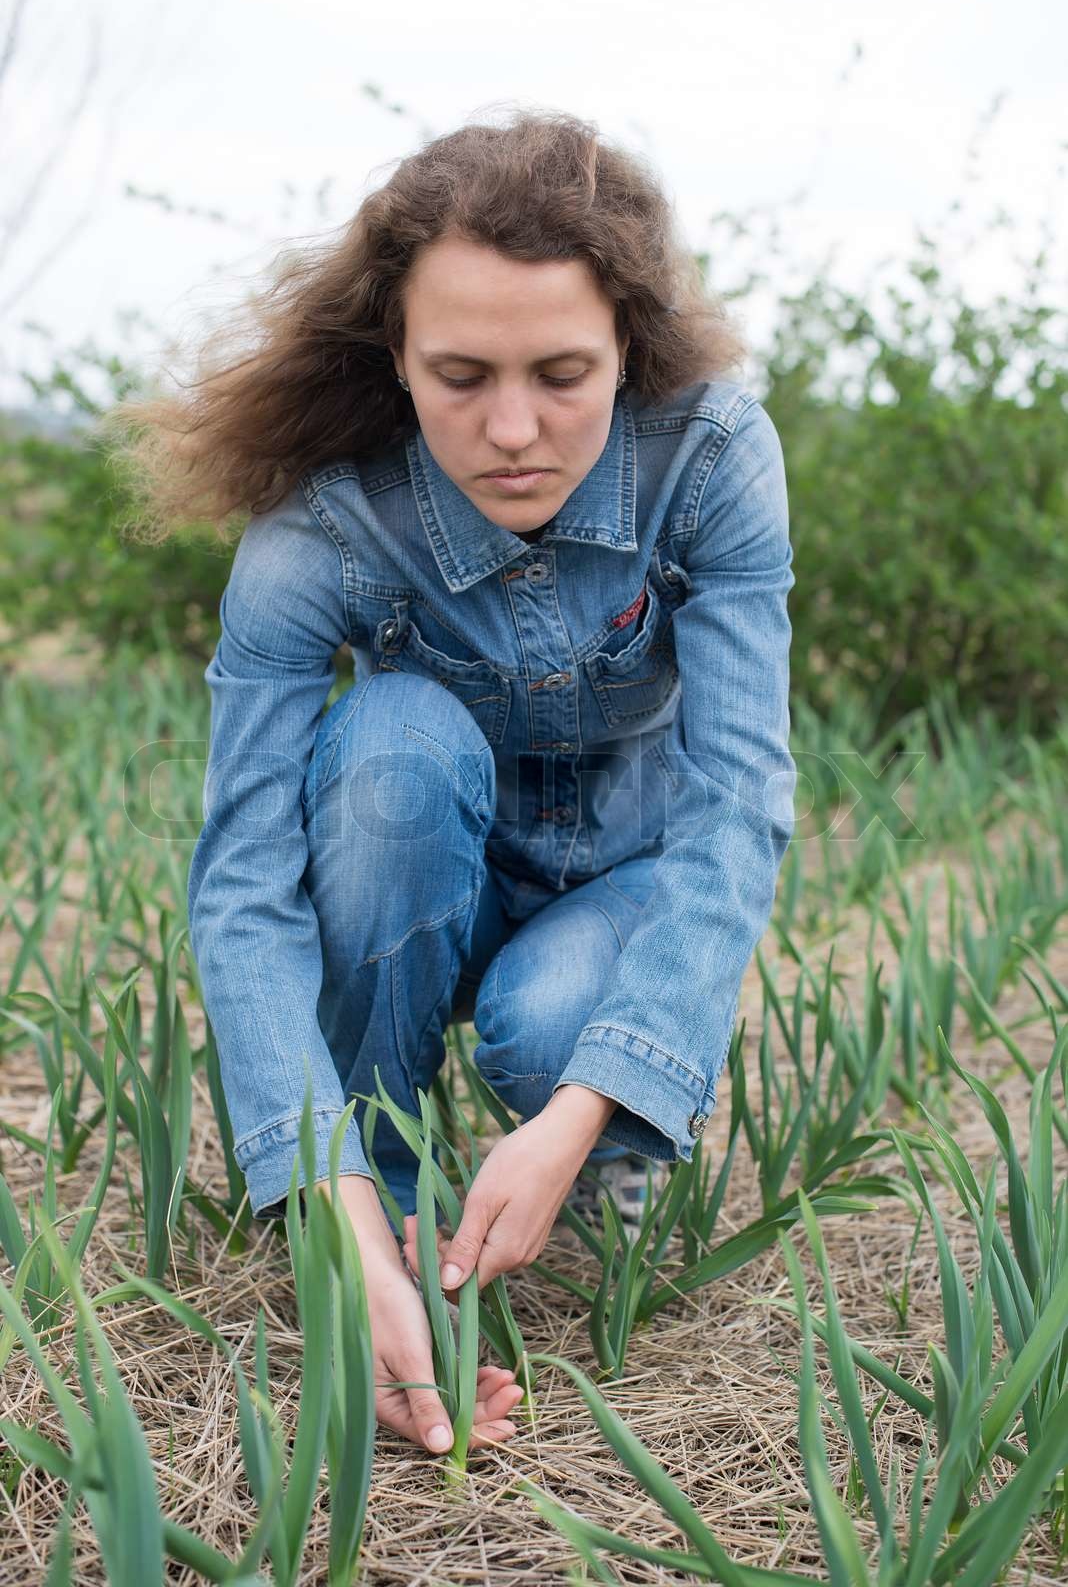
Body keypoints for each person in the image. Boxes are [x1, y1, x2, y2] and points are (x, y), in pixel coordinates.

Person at [104, 103, 797, 1460]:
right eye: (462, 374)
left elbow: (736, 811)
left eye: (563, 372)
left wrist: (588, 1107)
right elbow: (245, 893)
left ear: (630, 352)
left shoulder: (712, 459)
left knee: (553, 1035)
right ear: (398, 359)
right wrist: (334, 1218)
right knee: (386, 749)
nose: (515, 427)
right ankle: (394, 1219)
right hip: (427, 869)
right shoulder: (319, 533)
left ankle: (581, 1163)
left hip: (625, 881)